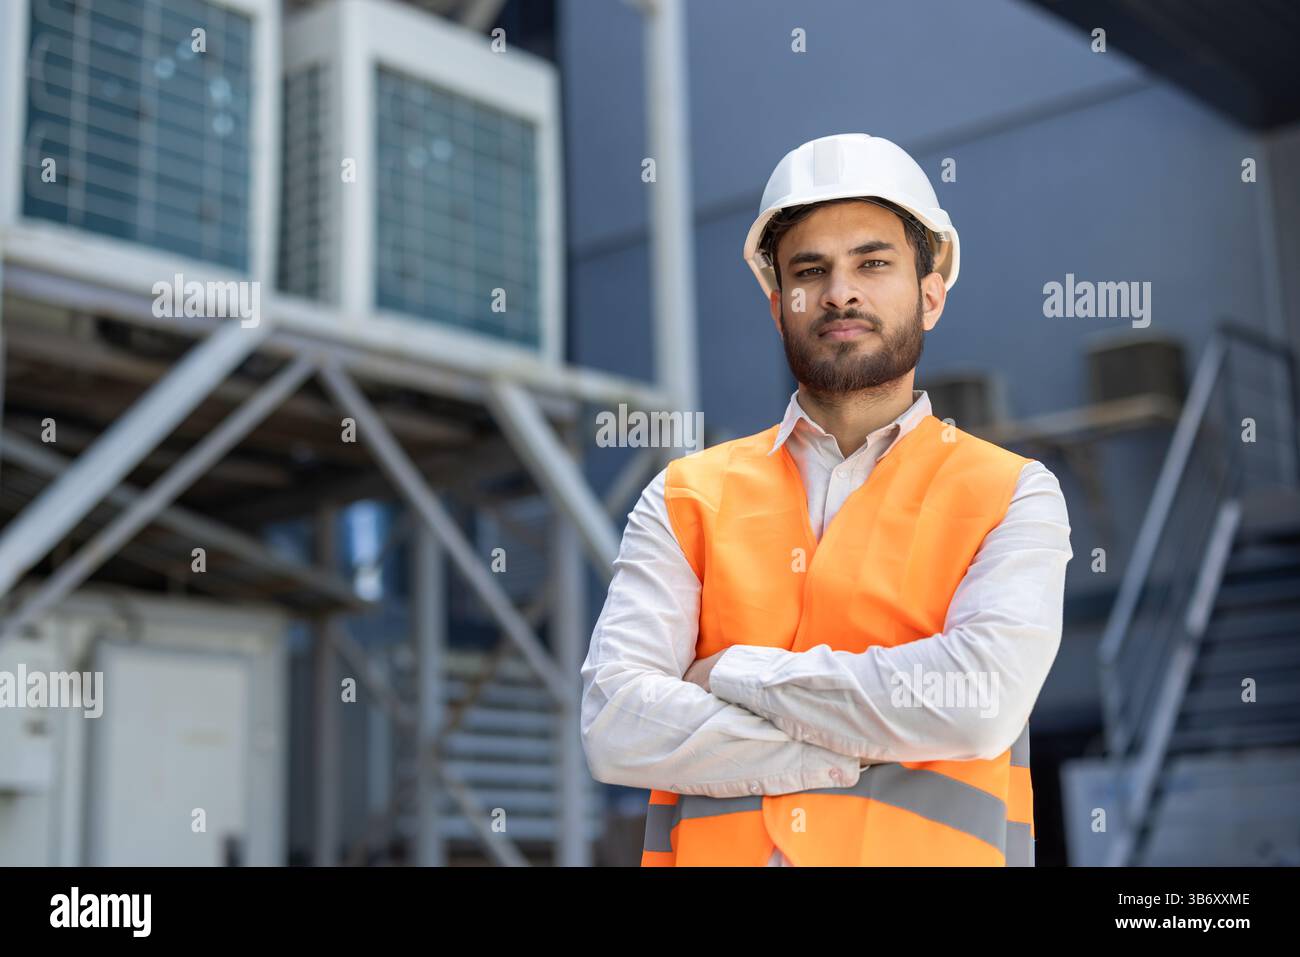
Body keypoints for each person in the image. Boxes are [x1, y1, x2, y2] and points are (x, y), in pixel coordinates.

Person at [579, 132, 1073, 866]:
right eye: (811, 270)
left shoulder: (1011, 494)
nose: (840, 291)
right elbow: (617, 725)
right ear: (779, 304)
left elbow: (977, 703)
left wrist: (733, 674)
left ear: (930, 295)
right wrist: (863, 746)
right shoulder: (686, 495)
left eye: (873, 263)